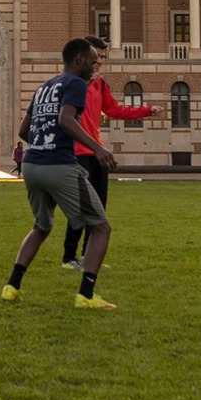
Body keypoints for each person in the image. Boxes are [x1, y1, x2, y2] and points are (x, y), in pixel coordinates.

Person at [2, 38, 120, 310]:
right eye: (92, 62)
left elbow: (23, 131)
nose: (95, 68)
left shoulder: (44, 87)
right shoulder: (76, 84)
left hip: (32, 165)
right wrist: (97, 148)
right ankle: (86, 295)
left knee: (41, 227)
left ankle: (12, 286)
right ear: (79, 60)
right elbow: (66, 120)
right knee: (101, 228)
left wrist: (42, 144)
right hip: (59, 165)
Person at [60, 36, 154, 268]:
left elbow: (114, 110)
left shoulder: (100, 84)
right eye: (97, 57)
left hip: (97, 153)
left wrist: (147, 111)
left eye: (103, 57)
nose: (100, 61)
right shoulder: (71, 82)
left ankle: (88, 256)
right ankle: (69, 258)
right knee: (80, 207)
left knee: (98, 208)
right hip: (77, 153)